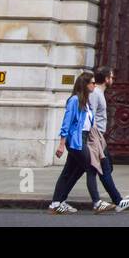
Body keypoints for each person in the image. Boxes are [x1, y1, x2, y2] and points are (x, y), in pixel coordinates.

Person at [47, 71, 105, 214]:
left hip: (83, 140)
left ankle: (57, 202)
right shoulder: (74, 100)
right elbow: (66, 123)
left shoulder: (86, 102)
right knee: (91, 167)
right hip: (75, 141)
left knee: (71, 172)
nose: (94, 85)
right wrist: (61, 144)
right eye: (92, 83)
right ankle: (97, 203)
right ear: (85, 85)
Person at [90, 65, 129, 213]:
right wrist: (95, 139)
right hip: (95, 138)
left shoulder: (99, 93)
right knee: (104, 169)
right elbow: (89, 117)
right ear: (106, 79)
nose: (113, 79)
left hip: (98, 138)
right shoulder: (95, 94)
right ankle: (118, 201)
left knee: (104, 167)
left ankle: (58, 200)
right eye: (111, 77)